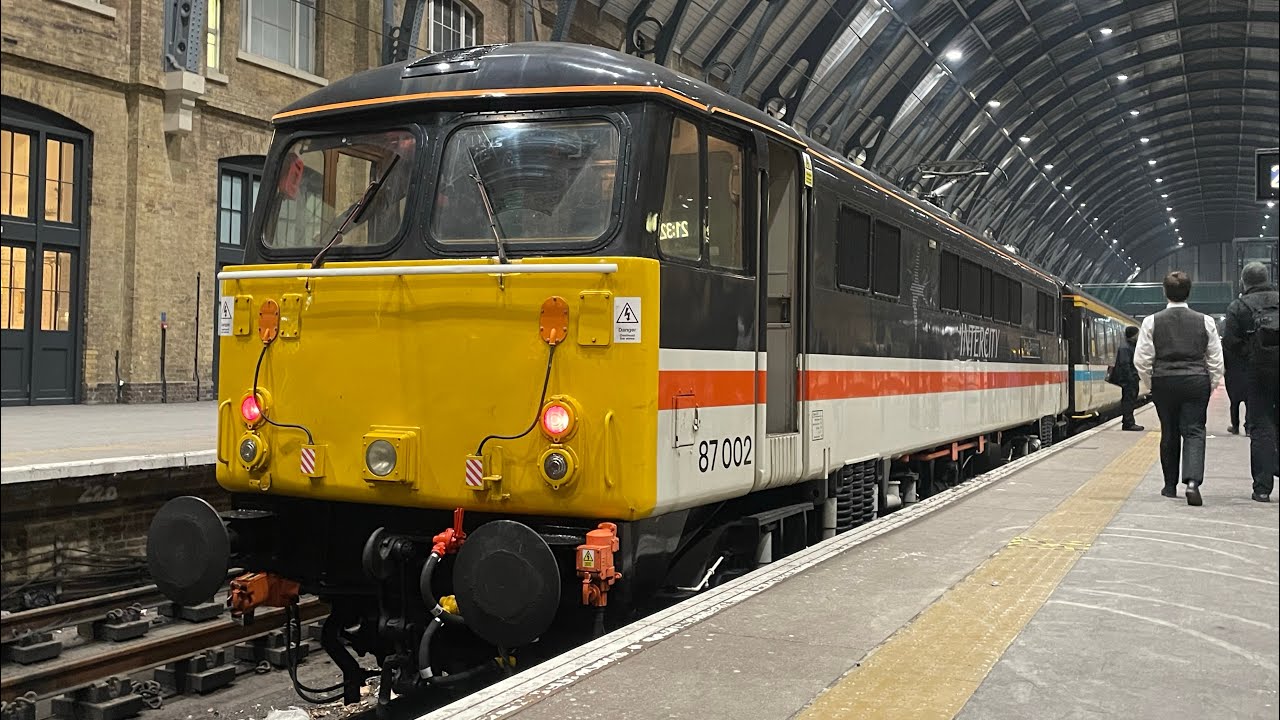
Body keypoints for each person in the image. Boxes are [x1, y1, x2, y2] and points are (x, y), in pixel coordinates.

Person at [1134, 271, 1225, 506]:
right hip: (1196, 380)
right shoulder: (1205, 321)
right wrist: (1211, 383)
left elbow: (1142, 359)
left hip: (1164, 380)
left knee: (1169, 431)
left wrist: (1151, 384)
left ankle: (1169, 485)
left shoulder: (1151, 321)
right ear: (1189, 292)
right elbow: (1216, 359)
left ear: (1164, 292)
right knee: (1194, 431)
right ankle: (1192, 483)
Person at [1222, 262, 1279, 503]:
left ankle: (1263, 488)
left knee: (1261, 427)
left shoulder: (1238, 306)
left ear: (1244, 282)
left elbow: (1230, 343)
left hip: (1257, 374)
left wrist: (1249, 358)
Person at [1223, 311, 1250, 435]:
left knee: (1234, 402)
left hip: (1232, 375)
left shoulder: (1227, 342)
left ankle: (1235, 426)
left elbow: (1223, 360)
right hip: (1248, 373)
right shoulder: (1248, 341)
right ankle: (1249, 426)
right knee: (1249, 402)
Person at [1113, 325, 1144, 431]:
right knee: (1128, 401)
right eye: (1137, 334)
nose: (1139, 336)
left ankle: (1128, 421)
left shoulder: (1129, 346)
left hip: (1131, 378)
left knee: (1130, 400)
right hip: (1129, 380)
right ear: (1133, 335)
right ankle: (1128, 423)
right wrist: (1131, 378)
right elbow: (1125, 364)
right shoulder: (1125, 348)